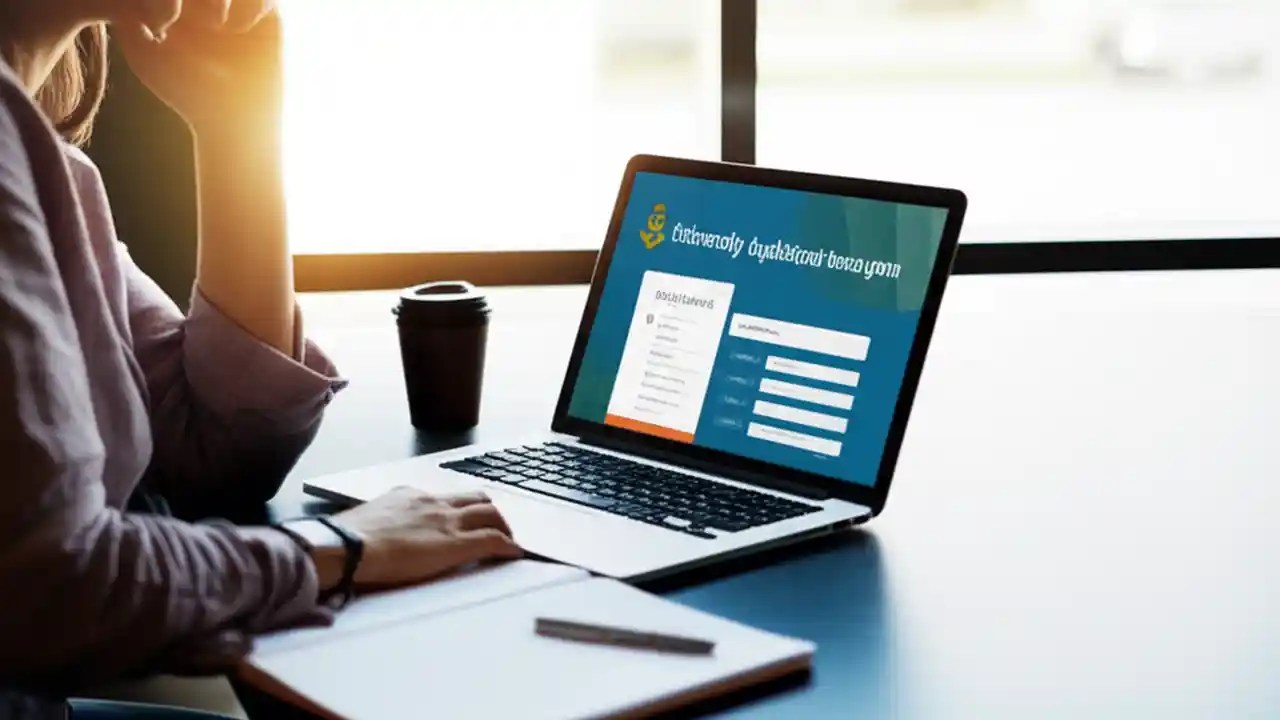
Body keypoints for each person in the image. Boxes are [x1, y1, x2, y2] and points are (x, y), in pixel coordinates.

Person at [0, 0, 522, 714]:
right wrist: (339, 548)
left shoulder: (49, 163)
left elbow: (219, 451)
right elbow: (51, 589)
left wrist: (236, 126)